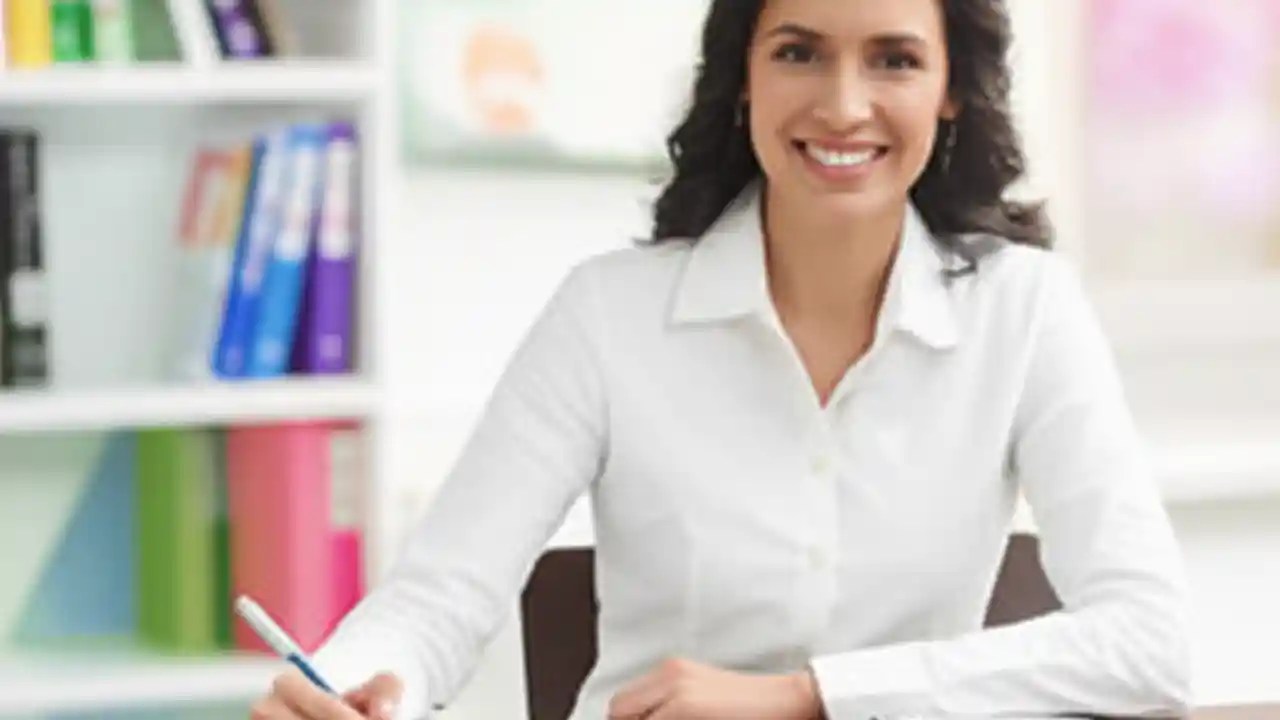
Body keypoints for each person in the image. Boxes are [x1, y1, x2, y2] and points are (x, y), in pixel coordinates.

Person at [251, 0, 1192, 718]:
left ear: (950, 88)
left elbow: (1151, 642)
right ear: (743, 75)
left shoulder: (1024, 308)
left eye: (894, 59)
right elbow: (438, 598)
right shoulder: (608, 314)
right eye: (799, 52)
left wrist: (806, 695)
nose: (844, 104)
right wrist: (351, 685)